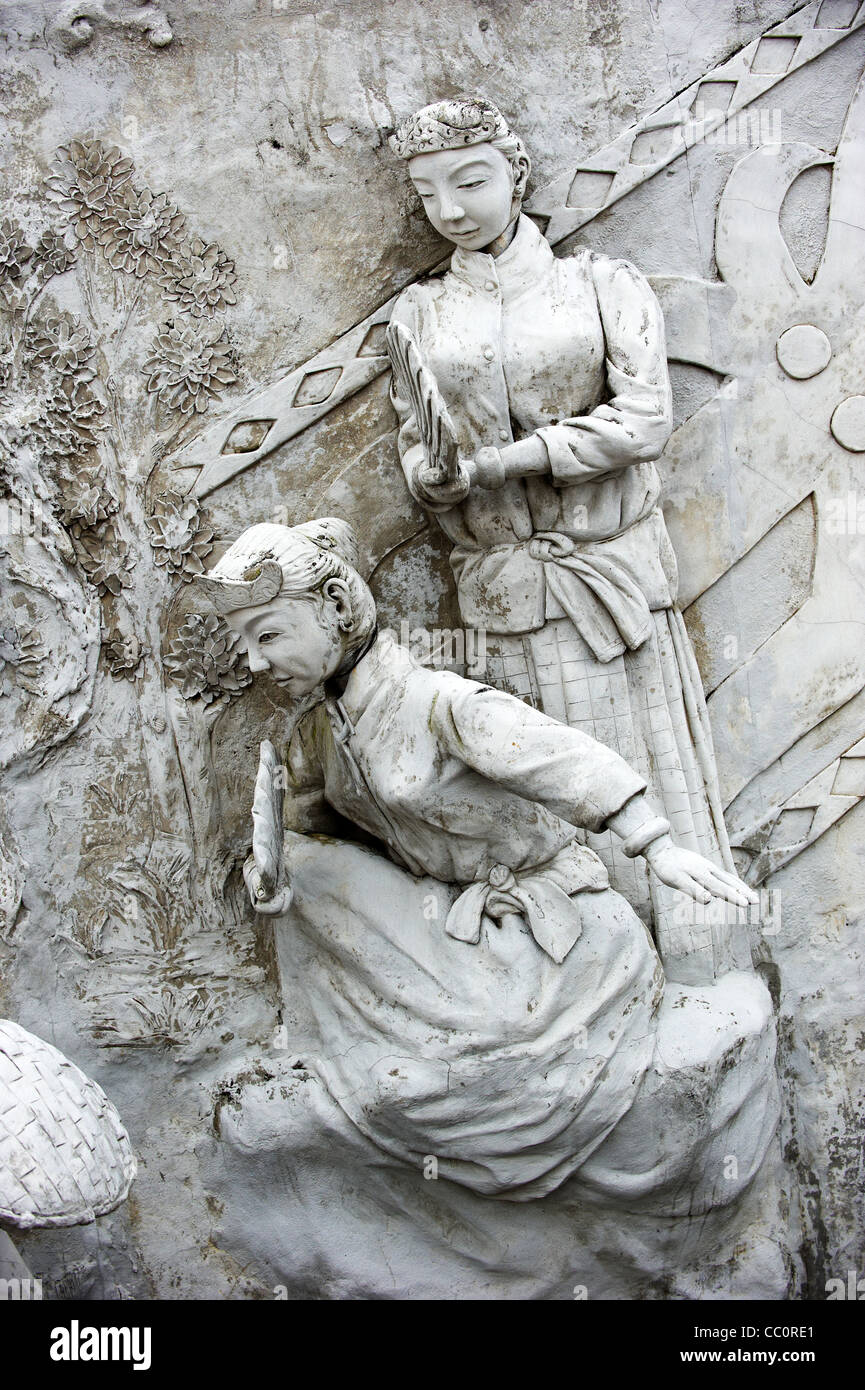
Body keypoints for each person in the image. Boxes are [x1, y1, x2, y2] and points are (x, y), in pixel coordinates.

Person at [197, 517, 775, 1205]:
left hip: (555, 934)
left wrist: (656, 844)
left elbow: (559, 759)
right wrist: (273, 873)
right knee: (311, 879)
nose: (257, 662)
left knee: (475, 1076)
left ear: (338, 606)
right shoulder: (318, 735)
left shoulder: (440, 703)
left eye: (269, 634)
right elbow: (315, 838)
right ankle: (348, 1050)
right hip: (456, 927)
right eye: (245, 645)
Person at [387, 96, 743, 984]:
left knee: (640, 765)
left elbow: (644, 420)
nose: (453, 209)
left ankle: (691, 968)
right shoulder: (420, 315)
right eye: (429, 194)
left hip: (607, 579)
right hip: (507, 596)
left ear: (516, 173)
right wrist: (432, 479)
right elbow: (414, 443)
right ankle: (580, 983)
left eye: (470, 181)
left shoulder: (599, 285)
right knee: (531, 779)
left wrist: (507, 461)